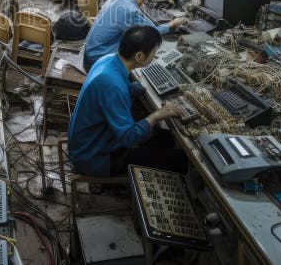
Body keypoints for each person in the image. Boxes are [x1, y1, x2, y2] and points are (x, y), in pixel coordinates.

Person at [67, 26, 189, 177]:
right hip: (94, 158)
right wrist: (158, 115)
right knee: (180, 160)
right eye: (154, 52)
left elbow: (115, 93)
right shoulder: (113, 85)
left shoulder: (108, 60)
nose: (155, 56)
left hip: (85, 143)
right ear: (139, 56)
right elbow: (128, 138)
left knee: (167, 139)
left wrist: (139, 88)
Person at [83, 0, 187, 70]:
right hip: (98, 60)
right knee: (149, 55)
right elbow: (152, 32)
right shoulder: (130, 10)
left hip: (89, 52)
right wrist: (173, 23)